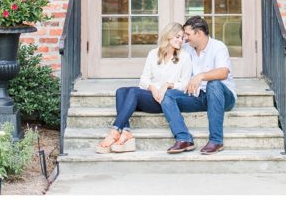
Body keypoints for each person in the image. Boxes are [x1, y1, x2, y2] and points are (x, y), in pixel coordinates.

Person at [96, 22, 192, 154]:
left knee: (133, 92)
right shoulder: (153, 54)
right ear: (168, 36)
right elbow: (144, 80)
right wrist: (152, 87)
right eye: (177, 37)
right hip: (150, 96)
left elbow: (185, 84)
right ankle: (126, 132)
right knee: (121, 91)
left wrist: (168, 85)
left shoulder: (185, 57)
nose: (180, 41)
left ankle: (115, 131)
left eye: (182, 38)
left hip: (166, 100)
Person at [159, 15, 237, 155]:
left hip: (224, 97)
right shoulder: (187, 49)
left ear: (199, 33)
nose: (185, 38)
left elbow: (223, 72)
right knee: (168, 95)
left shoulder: (218, 47)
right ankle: (184, 139)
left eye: (188, 34)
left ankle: (216, 141)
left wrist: (200, 76)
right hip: (199, 96)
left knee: (213, 84)